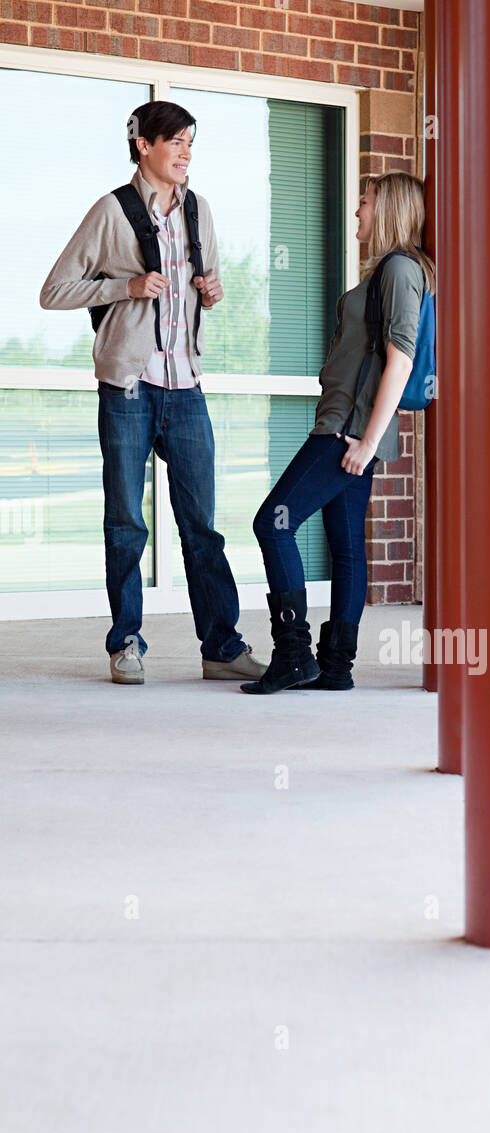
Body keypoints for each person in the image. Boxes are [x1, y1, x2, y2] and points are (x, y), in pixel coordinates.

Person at [39, 100, 267, 688]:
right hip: (130, 386)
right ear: (145, 146)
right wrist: (129, 285)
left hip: (186, 384)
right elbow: (56, 290)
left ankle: (220, 647)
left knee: (202, 527)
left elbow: (206, 284)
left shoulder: (200, 210)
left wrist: (212, 290)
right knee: (125, 522)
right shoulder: (112, 212)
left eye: (192, 143)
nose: (187, 153)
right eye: (178, 142)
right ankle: (126, 645)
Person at [242, 171, 435, 695]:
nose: (357, 213)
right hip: (349, 428)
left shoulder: (399, 269)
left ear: (389, 208)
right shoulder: (387, 272)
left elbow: (401, 355)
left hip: (347, 432)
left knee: (272, 523)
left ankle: (293, 654)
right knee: (347, 546)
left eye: (365, 202)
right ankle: (335, 667)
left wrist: (368, 441)